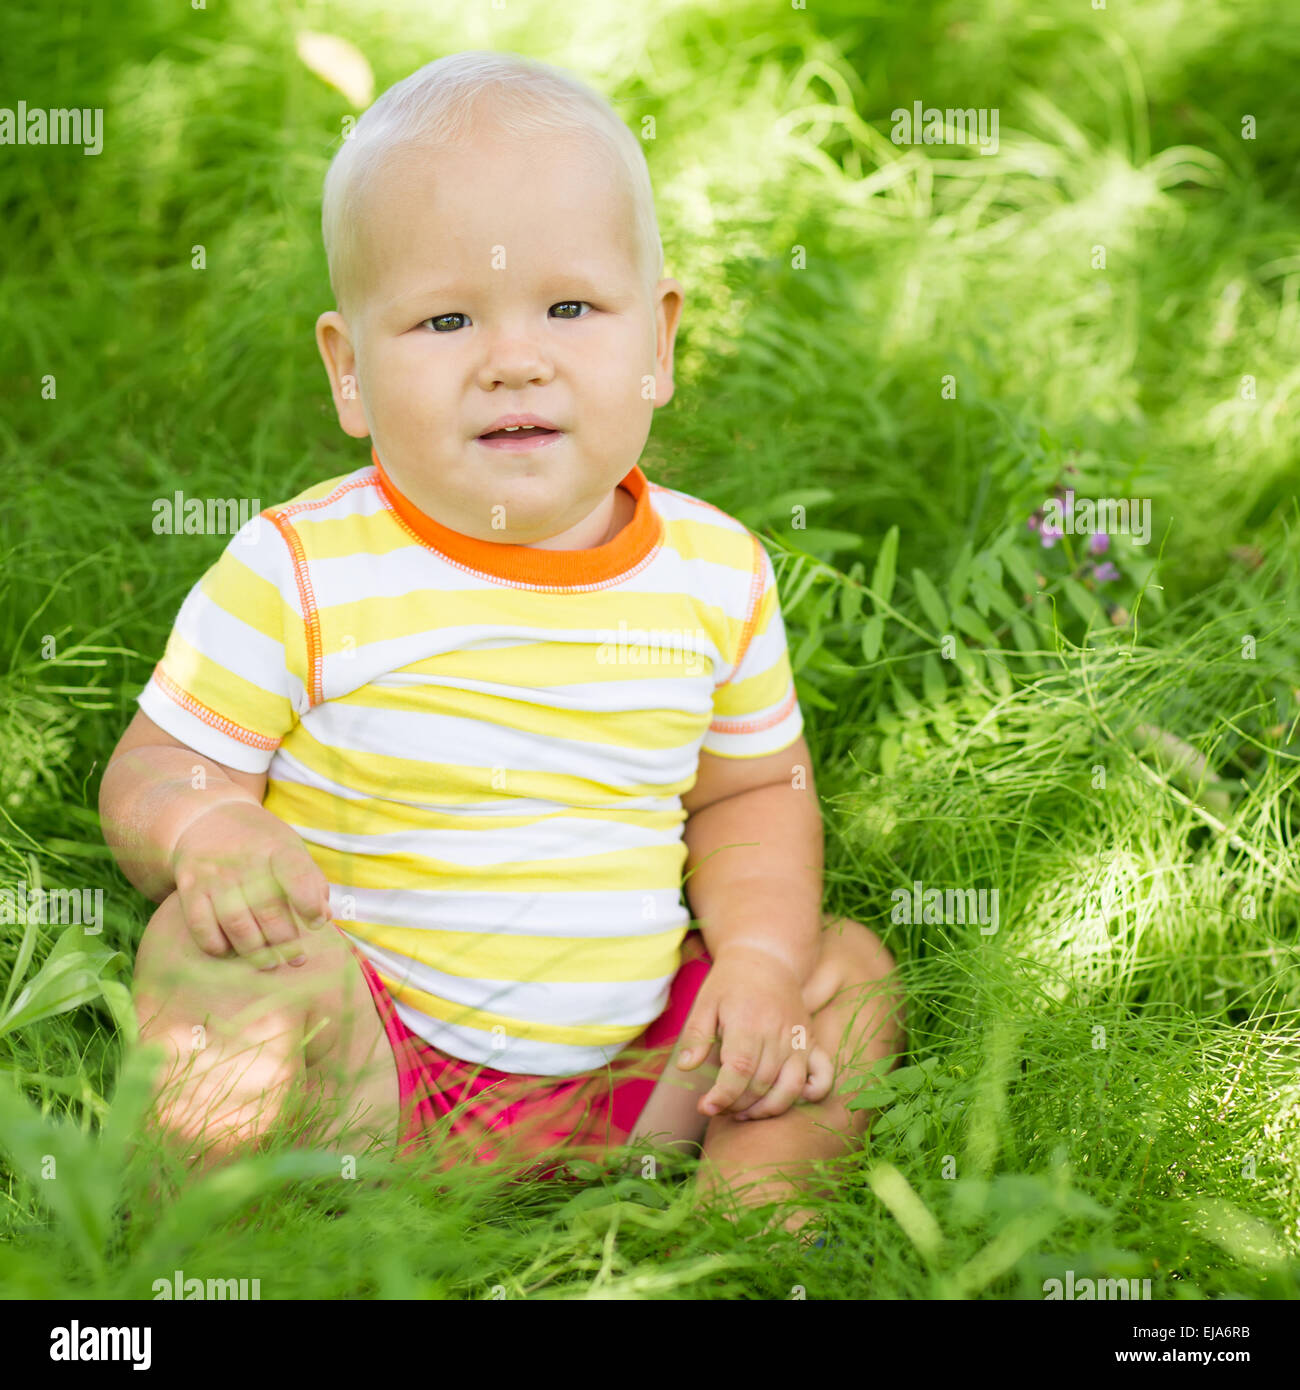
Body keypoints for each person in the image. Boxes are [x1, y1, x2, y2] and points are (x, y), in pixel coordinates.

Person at [100, 50, 904, 1241]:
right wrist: (210, 829)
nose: (513, 356)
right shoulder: (302, 569)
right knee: (208, 956)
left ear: (660, 341)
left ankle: (745, 1224)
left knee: (845, 970)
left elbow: (746, 797)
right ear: (349, 370)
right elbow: (157, 770)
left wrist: (761, 960)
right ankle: (217, 1242)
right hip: (377, 1072)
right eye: (445, 318)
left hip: (640, 1077)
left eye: (570, 307)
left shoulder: (715, 572)